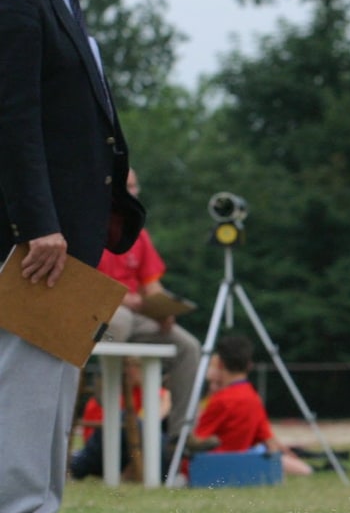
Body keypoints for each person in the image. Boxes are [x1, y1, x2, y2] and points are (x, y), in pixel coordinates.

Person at [0, 0, 144, 513]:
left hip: (71, 222)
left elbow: (74, 111)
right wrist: (36, 223)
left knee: (54, 375)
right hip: (39, 234)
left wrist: (117, 173)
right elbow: (14, 119)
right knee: (28, 374)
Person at [98, 168, 202, 435]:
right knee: (119, 320)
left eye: (135, 187)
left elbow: (152, 285)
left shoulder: (138, 234)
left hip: (137, 316)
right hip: (99, 312)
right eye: (127, 187)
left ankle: (181, 435)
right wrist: (122, 297)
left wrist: (164, 309)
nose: (133, 193)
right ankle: (103, 385)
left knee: (188, 347)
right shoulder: (90, 228)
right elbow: (80, 280)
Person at [192, 335, 313, 477]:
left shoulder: (220, 400)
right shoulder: (253, 397)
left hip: (213, 466)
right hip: (241, 462)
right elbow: (269, 441)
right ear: (249, 365)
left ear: (220, 365)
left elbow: (196, 440)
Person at [70, 358, 173, 481]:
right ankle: (76, 465)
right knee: (124, 420)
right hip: (104, 452)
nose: (128, 370)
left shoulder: (158, 394)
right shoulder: (112, 394)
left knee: (154, 435)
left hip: (133, 451)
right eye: (125, 366)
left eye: (134, 365)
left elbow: (154, 419)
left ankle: (76, 465)